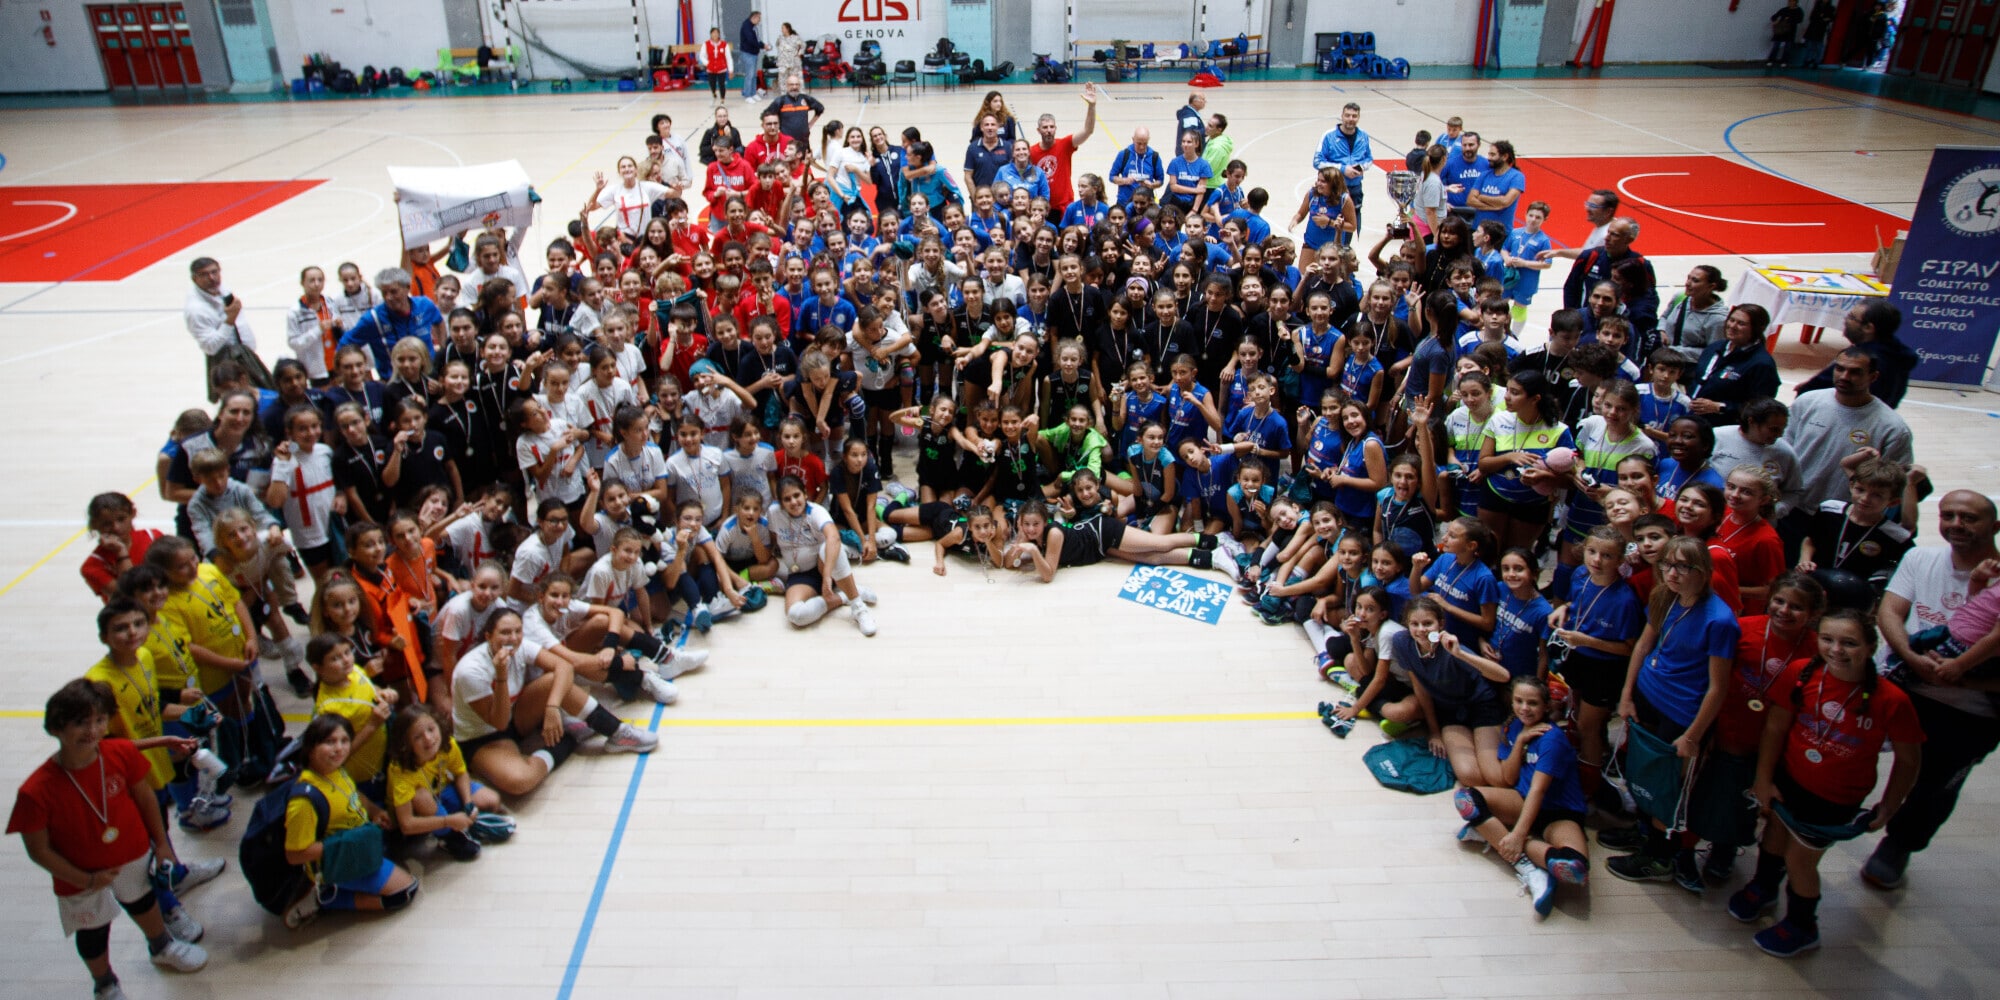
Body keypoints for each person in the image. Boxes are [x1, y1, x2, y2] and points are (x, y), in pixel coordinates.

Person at [1733, 609, 1924, 957]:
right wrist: (1763, 778)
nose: (1836, 650)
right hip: (1789, 778)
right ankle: (1764, 888)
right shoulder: (1801, 673)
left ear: (1870, 647)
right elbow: (1776, 726)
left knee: (1800, 862)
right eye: (1827, 639)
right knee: (1773, 835)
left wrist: (1890, 805)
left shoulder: (1892, 700)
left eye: (1849, 643)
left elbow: (1909, 759)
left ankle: (1802, 926)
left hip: (1834, 798)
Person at [8, 679, 211, 998]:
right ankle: (104, 983)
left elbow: (145, 798)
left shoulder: (120, 753)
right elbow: (39, 850)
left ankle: (161, 945)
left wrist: (161, 844)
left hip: (132, 854)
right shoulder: (35, 791)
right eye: (80, 722)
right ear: (56, 728)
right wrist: (86, 880)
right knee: (93, 930)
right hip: (79, 876)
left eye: (100, 720)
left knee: (143, 901)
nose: (92, 730)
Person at [1862, 490, 2000, 889]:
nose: (1956, 524)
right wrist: (1910, 656)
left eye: (1968, 517)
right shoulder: (1921, 559)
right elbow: (1890, 611)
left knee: (1936, 784)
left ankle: (1899, 844)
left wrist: (1964, 677)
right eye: (1948, 515)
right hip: (1905, 686)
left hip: (1970, 710)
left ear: (1994, 526)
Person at [1607, 537, 1741, 891]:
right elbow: (1643, 645)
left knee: (1666, 789)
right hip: (1647, 698)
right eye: (1667, 564)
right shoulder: (1665, 596)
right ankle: (1642, 835)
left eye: (1683, 566)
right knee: (1641, 774)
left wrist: (1693, 735)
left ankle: (1659, 858)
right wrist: (1626, 695)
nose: (1672, 573)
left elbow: (1718, 688)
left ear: (1705, 571)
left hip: (1681, 714)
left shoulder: (1720, 621)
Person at [1453, 676, 1593, 917]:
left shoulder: (1552, 739)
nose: (1524, 708)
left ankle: (1495, 836)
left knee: (1575, 868)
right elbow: (1508, 779)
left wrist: (1517, 836)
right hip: (1522, 801)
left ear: (1546, 706)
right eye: (1519, 701)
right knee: (1466, 799)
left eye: (1532, 703)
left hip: (1559, 812)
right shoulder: (1514, 727)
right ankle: (1530, 869)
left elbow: (1539, 790)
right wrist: (1519, 742)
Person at [1782, 348, 1915, 541]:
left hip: (1842, 518)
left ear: (1873, 377)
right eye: (1840, 369)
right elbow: (1782, 450)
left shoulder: (1892, 428)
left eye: (1855, 372)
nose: (1844, 376)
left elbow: (1896, 482)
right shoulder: (1807, 402)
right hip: (1791, 509)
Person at [1794, 302, 1915, 408]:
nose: (1845, 320)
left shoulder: (1861, 361)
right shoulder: (1896, 353)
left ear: (1868, 327)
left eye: (1851, 317)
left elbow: (1811, 395)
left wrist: (1807, 390)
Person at [337, 267, 444, 377]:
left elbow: (439, 321)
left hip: (429, 376)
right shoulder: (373, 319)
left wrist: (442, 351)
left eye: (394, 292)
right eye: (384, 293)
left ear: (408, 288)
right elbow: (344, 344)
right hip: (395, 381)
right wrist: (354, 371)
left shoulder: (425, 305)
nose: (389, 297)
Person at [184, 257, 265, 401]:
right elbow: (210, 347)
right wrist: (229, 320)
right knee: (236, 399)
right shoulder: (195, 310)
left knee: (264, 392)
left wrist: (249, 348)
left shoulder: (223, 290)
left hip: (244, 353)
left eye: (214, 272)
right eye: (205, 274)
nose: (212, 278)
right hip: (224, 361)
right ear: (194, 278)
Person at [1688, 304, 1781, 429]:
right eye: (1731, 320)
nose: (1732, 326)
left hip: (1723, 427)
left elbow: (1760, 407)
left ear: (1757, 329)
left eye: (1741, 323)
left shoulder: (1762, 364)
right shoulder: (1715, 347)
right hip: (1692, 418)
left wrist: (1720, 407)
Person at [1030, 84, 1100, 215]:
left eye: (1052, 127)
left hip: (1064, 206)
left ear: (1055, 128)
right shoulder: (1031, 152)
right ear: (1038, 130)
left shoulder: (1065, 144)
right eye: (1045, 127)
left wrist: (1091, 106)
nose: (1049, 130)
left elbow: (1088, 130)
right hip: (1042, 208)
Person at [1312, 102, 1371, 229]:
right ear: (1342, 116)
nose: (1351, 119)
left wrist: (1361, 167)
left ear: (1358, 117)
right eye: (1347, 115)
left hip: (1355, 188)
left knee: (1352, 226)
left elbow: (1369, 159)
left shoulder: (1363, 136)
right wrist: (1343, 169)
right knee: (1331, 225)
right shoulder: (1329, 136)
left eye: (1354, 116)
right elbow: (1317, 162)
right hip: (1333, 189)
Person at [1658, 265, 1729, 365]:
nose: (1687, 283)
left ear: (1711, 286)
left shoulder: (1718, 319)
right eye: (1688, 278)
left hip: (1688, 368)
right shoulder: (1681, 297)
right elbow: (1664, 317)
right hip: (1664, 360)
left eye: (1695, 280)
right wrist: (1661, 330)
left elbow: (1713, 352)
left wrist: (1675, 351)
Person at [1537, 189, 1618, 263]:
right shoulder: (1603, 225)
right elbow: (1586, 251)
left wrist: (1558, 252)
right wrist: (1557, 252)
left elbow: (1587, 255)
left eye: (1593, 206)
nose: (1588, 209)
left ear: (1608, 211)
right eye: (1588, 204)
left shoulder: (1608, 235)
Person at [1466, 139, 1525, 234]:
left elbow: (1505, 201)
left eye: (1493, 155)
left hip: (1500, 233)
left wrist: (1481, 197)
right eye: (1489, 154)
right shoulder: (1484, 175)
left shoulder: (1516, 176)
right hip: (1478, 230)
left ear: (1505, 157)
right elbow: (1470, 200)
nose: (1489, 158)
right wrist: (1494, 206)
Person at [761, 73, 824, 151]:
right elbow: (765, 115)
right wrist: (775, 127)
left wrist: (811, 124)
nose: (794, 87)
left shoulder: (805, 99)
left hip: (803, 141)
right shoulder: (780, 101)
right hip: (786, 143)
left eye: (797, 84)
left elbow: (820, 108)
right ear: (787, 86)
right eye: (791, 84)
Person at [1109, 128, 1164, 208]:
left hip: (1146, 204)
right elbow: (1112, 177)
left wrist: (1151, 185)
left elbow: (1160, 180)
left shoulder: (1154, 157)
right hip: (1125, 202)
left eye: (1145, 143)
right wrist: (1125, 180)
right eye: (1139, 143)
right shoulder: (1124, 154)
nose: (1142, 147)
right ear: (1133, 139)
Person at [736, 10, 765, 101]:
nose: (759, 20)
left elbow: (757, 39)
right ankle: (747, 95)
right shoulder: (746, 26)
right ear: (754, 17)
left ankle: (753, 93)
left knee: (753, 75)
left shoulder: (753, 27)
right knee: (750, 74)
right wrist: (762, 46)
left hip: (754, 53)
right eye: (759, 18)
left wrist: (763, 45)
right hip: (748, 54)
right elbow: (752, 41)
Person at [1768, 0, 1805, 66]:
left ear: (1796, 2)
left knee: (1787, 47)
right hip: (1781, 30)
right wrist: (1776, 21)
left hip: (1790, 31)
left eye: (1793, 1)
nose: (1791, 3)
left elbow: (1800, 20)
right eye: (1790, 1)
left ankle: (1784, 61)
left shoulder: (1798, 11)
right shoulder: (1784, 9)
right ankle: (1771, 60)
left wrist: (1789, 20)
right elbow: (1774, 16)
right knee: (1776, 46)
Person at [701, 26, 731, 101]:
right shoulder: (706, 44)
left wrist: (731, 69)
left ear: (719, 34)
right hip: (711, 68)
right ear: (711, 34)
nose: (715, 34)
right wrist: (707, 63)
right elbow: (702, 56)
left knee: (721, 84)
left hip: (721, 68)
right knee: (712, 84)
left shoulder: (724, 44)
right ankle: (714, 94)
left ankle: (722, 100)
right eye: (713, 33)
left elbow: (728, 57)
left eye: (717, 33)